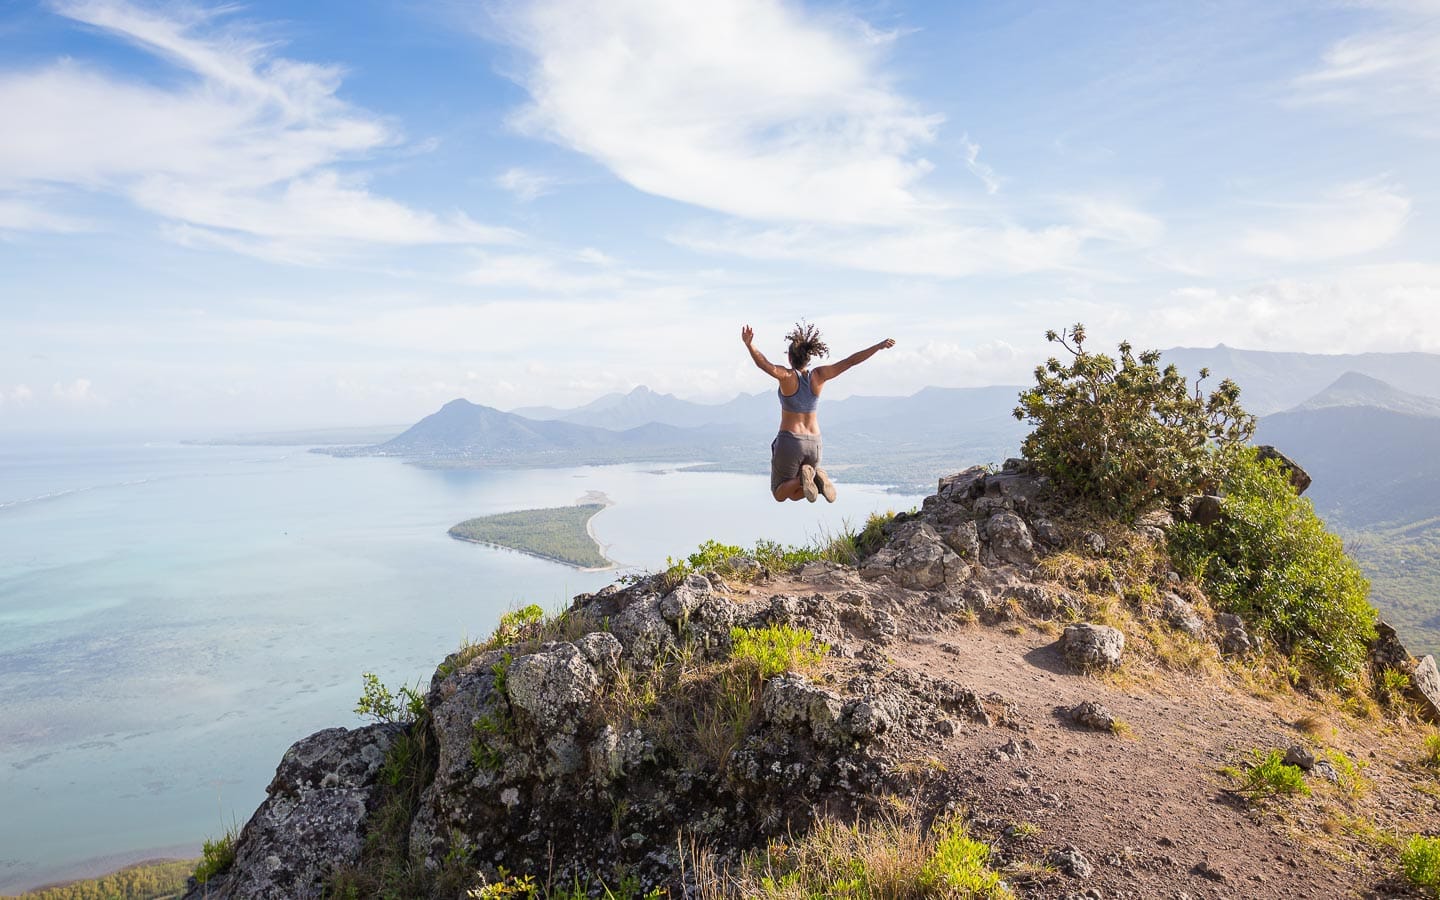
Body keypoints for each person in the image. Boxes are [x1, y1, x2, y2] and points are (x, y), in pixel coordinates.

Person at [742, 322, 896, 502]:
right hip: (815, 444)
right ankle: (816, 476)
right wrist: (878, 346)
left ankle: (805, 477)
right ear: (808, 358)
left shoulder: (787, 376)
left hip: (791, 440)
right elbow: (850, 361)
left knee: (780, 493)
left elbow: (765, 365)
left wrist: (749, 345)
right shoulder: (819, 375)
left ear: (790, 358)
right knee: (798, 494)